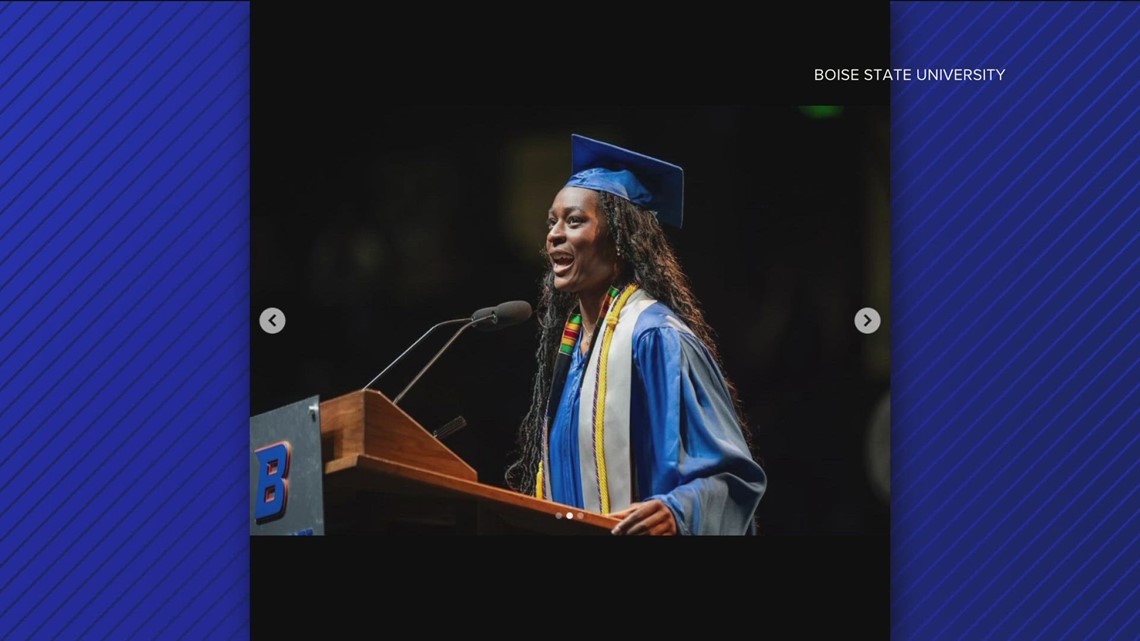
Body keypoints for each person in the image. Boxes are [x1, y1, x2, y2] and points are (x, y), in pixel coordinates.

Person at [507, 135, 767, 535]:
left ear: (620, 242)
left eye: (574, 221)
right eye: (552, 221)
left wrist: (677, 512)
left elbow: (732, 477)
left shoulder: (657, 339)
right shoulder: (571, 352)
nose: (554, 235)